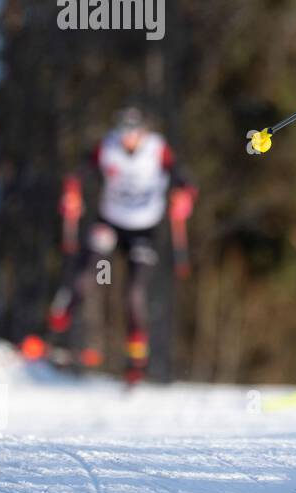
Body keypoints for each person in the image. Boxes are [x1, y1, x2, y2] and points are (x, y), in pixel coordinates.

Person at [43, 106, 196, 385]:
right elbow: (79, 173)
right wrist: (72, 192)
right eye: (124, 132)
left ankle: (136, 356)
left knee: (134, 292)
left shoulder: (157, 149)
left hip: (144, 229)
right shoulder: (107, 147)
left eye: (134, 132)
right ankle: (58, 329)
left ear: (144, 132)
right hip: (111, 222)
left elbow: (184, 178)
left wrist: (184, 197)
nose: (129, 138)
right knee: (88, 270)